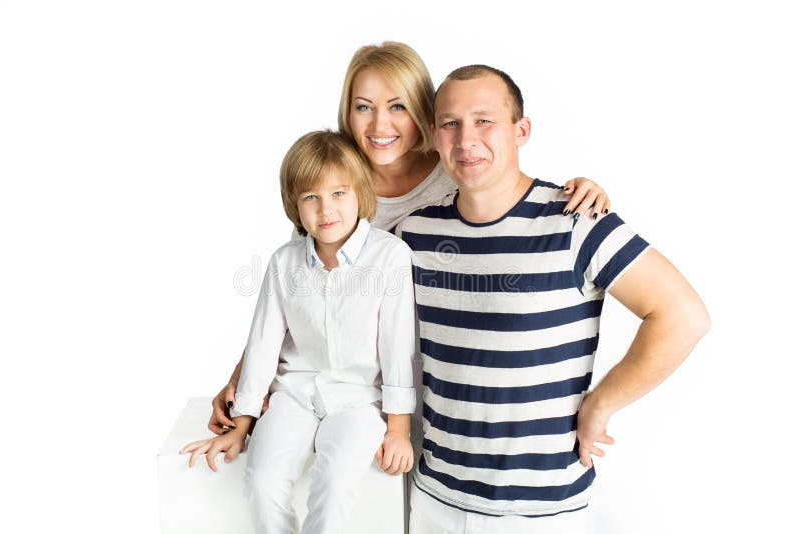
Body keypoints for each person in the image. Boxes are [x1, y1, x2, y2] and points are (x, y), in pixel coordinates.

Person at [206, 42, 612, 444]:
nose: (380, 125)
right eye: (364, 106)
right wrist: (242, 381)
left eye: (397, 107)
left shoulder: (457, 168)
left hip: (441, 392)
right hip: (349, 393)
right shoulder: (335, 186)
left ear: (425, 115)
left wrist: (574, 191)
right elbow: (296, 294)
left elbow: (510, 194)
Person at [394, 65, 710, 532]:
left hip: (543, 513)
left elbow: (683, 317)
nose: (466, 139)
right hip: (435, 499)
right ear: (434, 136)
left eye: (485, 120)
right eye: (450, 123)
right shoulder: (415, 233)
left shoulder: (576, 220)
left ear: (521, 131)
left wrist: (599, 405)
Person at [180, 131, 416, 534]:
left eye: (339, 193)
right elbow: (263, 344)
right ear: (295, 205)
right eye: (311, 197)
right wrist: (242, 424)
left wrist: (398, 430)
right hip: (294, 395)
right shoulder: (283, 262)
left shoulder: (390, 257)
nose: (326, 209)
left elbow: (398, 347)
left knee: (335, 483)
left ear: (359, 192)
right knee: (262, 480)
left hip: (361, 402)